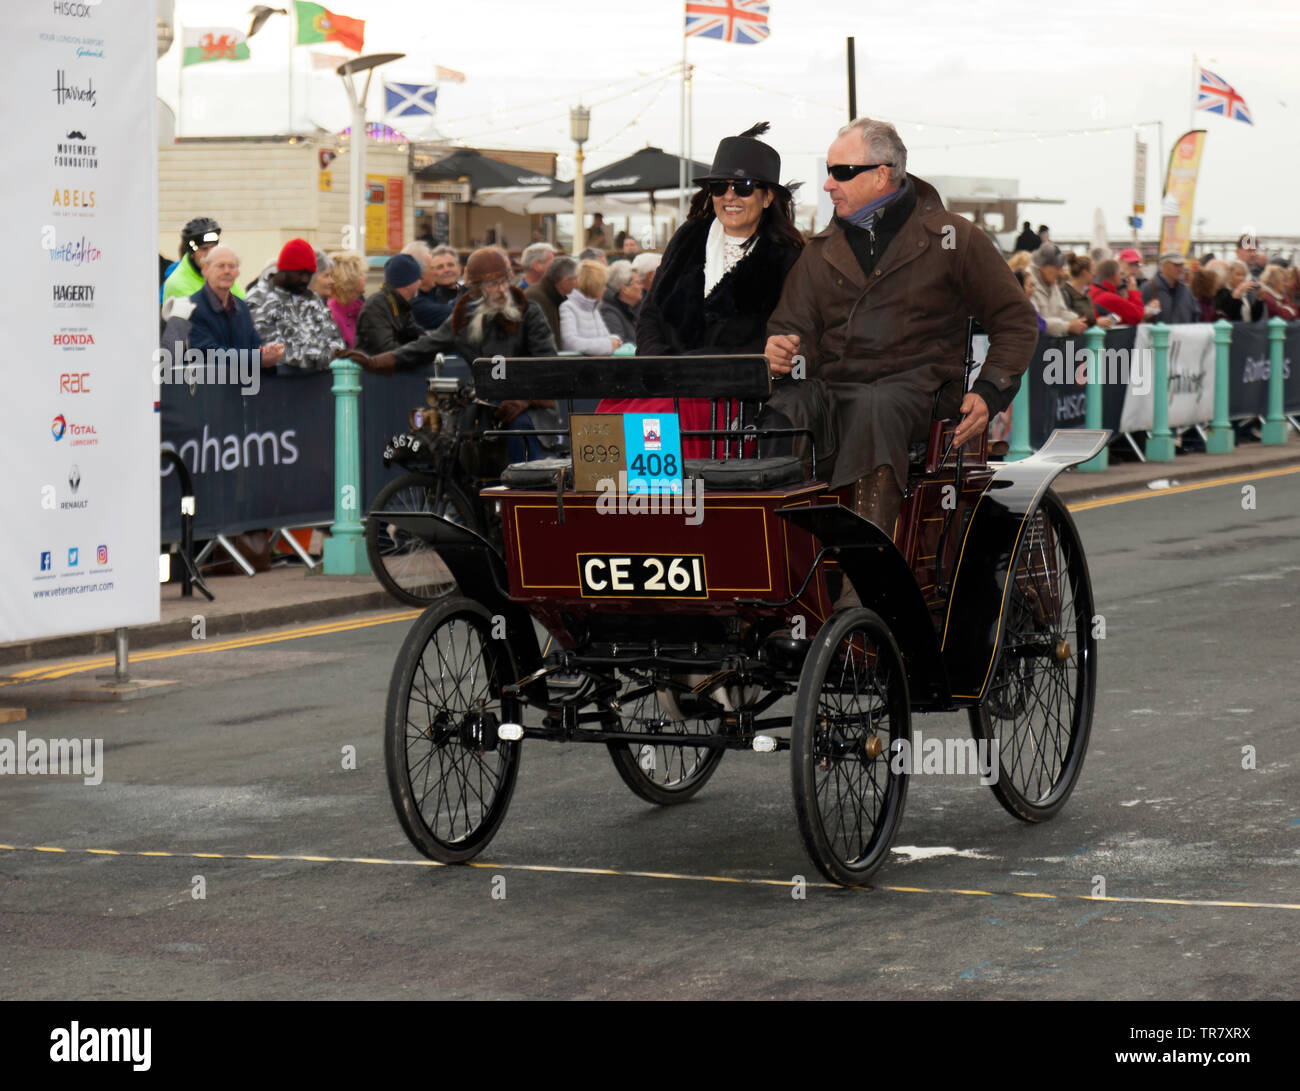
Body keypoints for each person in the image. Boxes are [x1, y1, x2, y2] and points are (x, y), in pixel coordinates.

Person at [763, 116, 1036, 563]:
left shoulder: (952, 237)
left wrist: (988, 392)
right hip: (835, 391)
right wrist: (780, 349)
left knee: (875, 406)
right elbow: (791, 330)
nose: (828, 184)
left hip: (921, 393)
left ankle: (865, 583)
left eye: (841, 172)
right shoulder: (819, 252)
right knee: (781, 410)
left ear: (883, 173)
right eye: (828, 172)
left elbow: (1015, 320)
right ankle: (786, 571)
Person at [600, 122, 805, 457]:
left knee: (658, 427)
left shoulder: (789, 259)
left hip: (732, 398)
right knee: (607, 429)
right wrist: (662, 370)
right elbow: (650, 315)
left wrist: (704, 372)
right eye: (720, 186)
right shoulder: (688, 237)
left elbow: (781, 342)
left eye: (744, 186)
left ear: (768, 197)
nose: (729, 196)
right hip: (664, 384)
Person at [347, 248, 558, 461]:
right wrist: (375, 362)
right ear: (477, 289)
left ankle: (523, 492)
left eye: (504, 281)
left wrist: (525, 400)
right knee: (454, 447)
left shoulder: (529, 313)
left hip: (530, 410)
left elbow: (549, 367)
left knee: (520, 435)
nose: (502, 289)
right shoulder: (464, 318)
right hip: (484, 408)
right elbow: (426, 346)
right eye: (493, 284)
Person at [245, 237, 345, 371]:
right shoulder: (258, 299)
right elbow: (278, 353)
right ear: (284, 270)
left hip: (319, 385)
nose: (304, 279)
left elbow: (335, 340)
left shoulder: (312, 298)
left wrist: (334, 354)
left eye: (309, 274)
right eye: (299, 273)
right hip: (281, 386)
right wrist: (327, 357)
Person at [185, 245, 284, 366]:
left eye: (232, 266)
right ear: (205, 270)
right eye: (221, 266)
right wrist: (257, 358)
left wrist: (268, 352)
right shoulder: (191, 308)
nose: (227, 271)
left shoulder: (242, 307)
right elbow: (207, 353)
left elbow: (255, 345)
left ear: (237, 272)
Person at [162, 217, 248, 305]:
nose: (210, 254)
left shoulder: (224, 274)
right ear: (192, 253)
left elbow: (242, 305)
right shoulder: (177, 284)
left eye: (214, 248)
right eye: (204, 249)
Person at [355, 253, 424, 355]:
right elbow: (385, 349)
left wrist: (427, 341)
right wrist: (418, 353)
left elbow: (414, 332)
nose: (420, 283)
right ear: (409, 283)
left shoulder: (399, 304)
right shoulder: (376, 307)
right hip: (375, 369)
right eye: (418, 278)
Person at [1027, 244, 1089, 336]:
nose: (1062, 272)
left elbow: (1061, 311)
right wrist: (1067, 327)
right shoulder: (1027, 284)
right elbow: (1035, 322)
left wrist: (1082, 321)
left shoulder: (1051, 282)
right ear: (1044, 267)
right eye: (1057, 268)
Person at [560, 260, 620, 354]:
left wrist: (615, 340)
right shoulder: (568, 308)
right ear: (594, 285)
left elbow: (604, 336)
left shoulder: (593, 308)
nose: (605, 289)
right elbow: (570, 343)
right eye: (603, 285)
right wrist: (608, 345)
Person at [524, 254, 577, 341]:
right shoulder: (536, 298)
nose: (577, 283)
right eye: (575, 278)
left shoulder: (558, 297)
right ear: (565, 281)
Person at [1141, 252, 1197, 323]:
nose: (1180, 269)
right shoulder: (1148, 289)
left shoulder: (1186, 291)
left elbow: (1195, 316)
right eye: (1176, 265)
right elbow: (1138, 316)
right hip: (1157, 334)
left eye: (1181, 265)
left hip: (1182, 333)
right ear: (1164, 265)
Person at [327, 250, 367, 348]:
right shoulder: (333, 313)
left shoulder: (361, 306)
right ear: (349, 279)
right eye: (361, 274)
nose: (365, 277)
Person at [1061, 253, 1112, 328]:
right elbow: (1067, 321)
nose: (1094, 274)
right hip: (1070, 339)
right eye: (1093, 270)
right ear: (1084, 272)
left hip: (1082, 339)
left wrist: (1097, 322)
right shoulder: (1064, 293)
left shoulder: (1086, 294)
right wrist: (1096, 322)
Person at [1089, 258, 1146, 325]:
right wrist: (1133, 292)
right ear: (1115, 276)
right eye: (1121, 274)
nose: (1122, 278)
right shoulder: (1109, 298)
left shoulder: (1091, 289)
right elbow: (1138, 316)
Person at [600, 261, 642, 344]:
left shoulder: (635, 307)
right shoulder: (608, 312)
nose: (642, 286)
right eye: (637, 283)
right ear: (624, 289)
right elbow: (621, 346)